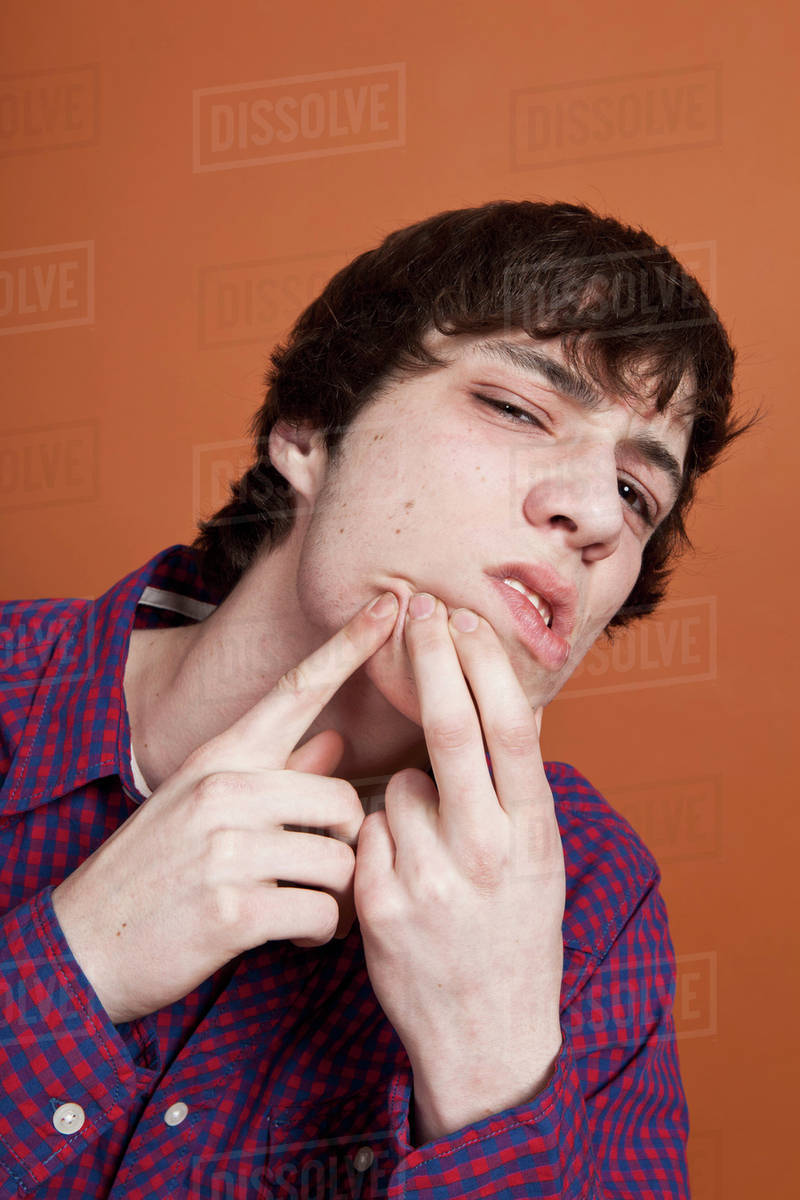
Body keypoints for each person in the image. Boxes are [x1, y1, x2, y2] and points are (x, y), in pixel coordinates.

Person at [0, 200, 756, 1199]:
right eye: (518, 410)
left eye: (635, 494)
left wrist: (491, 1064)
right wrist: (75, 964)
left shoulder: (595, 903)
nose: (588, 516)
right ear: (310, 434)